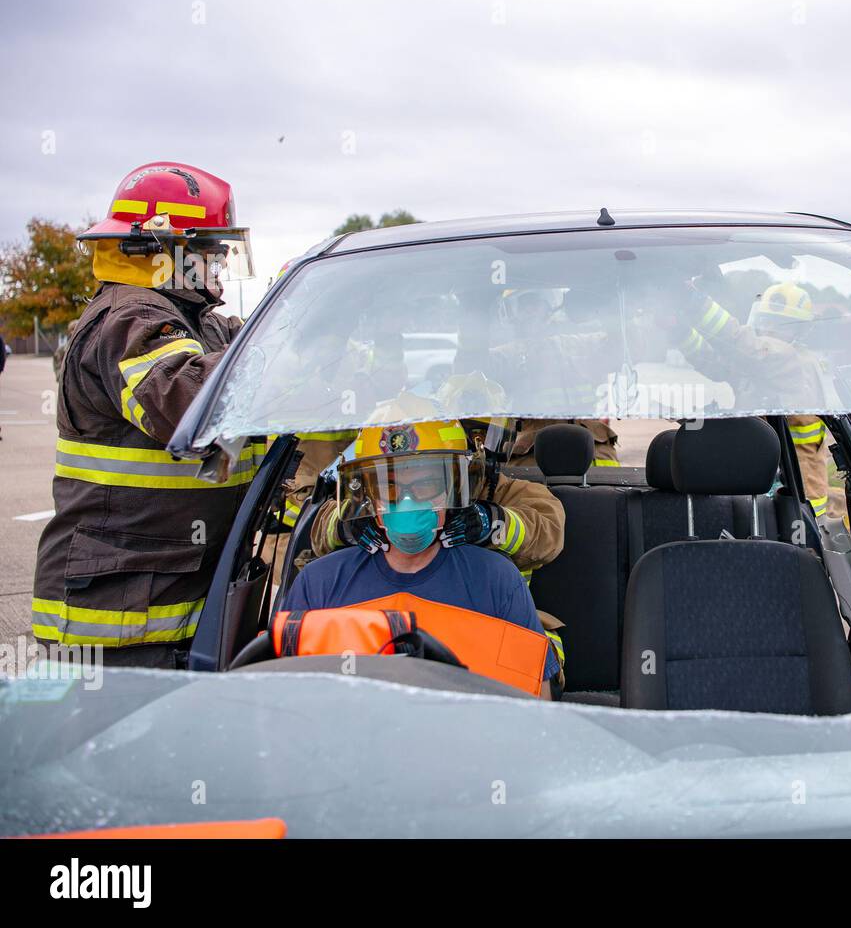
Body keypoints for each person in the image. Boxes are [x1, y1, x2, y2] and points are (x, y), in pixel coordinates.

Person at [31, 162, 258, 667]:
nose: (217, 265)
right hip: (118, 618)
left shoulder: (196, 322)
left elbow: (250, 364)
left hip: (170, 595)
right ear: (162, 248)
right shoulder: (129, 319)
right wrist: (276, 345)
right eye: (208, 250)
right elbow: (187, 402)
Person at [280, 420, 563, 697]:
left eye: (425, 484)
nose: (406, 501)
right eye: (388, 487)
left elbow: (548, 530)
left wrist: (492, 522)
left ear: (454, 482)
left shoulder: (496, 576)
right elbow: (287, 699)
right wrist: (347, 522)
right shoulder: (321, 583)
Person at [675, 280, 833, 519]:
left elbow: (741, 344)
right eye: (766, 321)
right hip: (765, 485)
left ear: (801, 331)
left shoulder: (793, 362)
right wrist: (678, 331)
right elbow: (713, 362)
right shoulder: (761, 365)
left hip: (797, 500)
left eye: (780, 325)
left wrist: (694, 302)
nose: (769, 330)